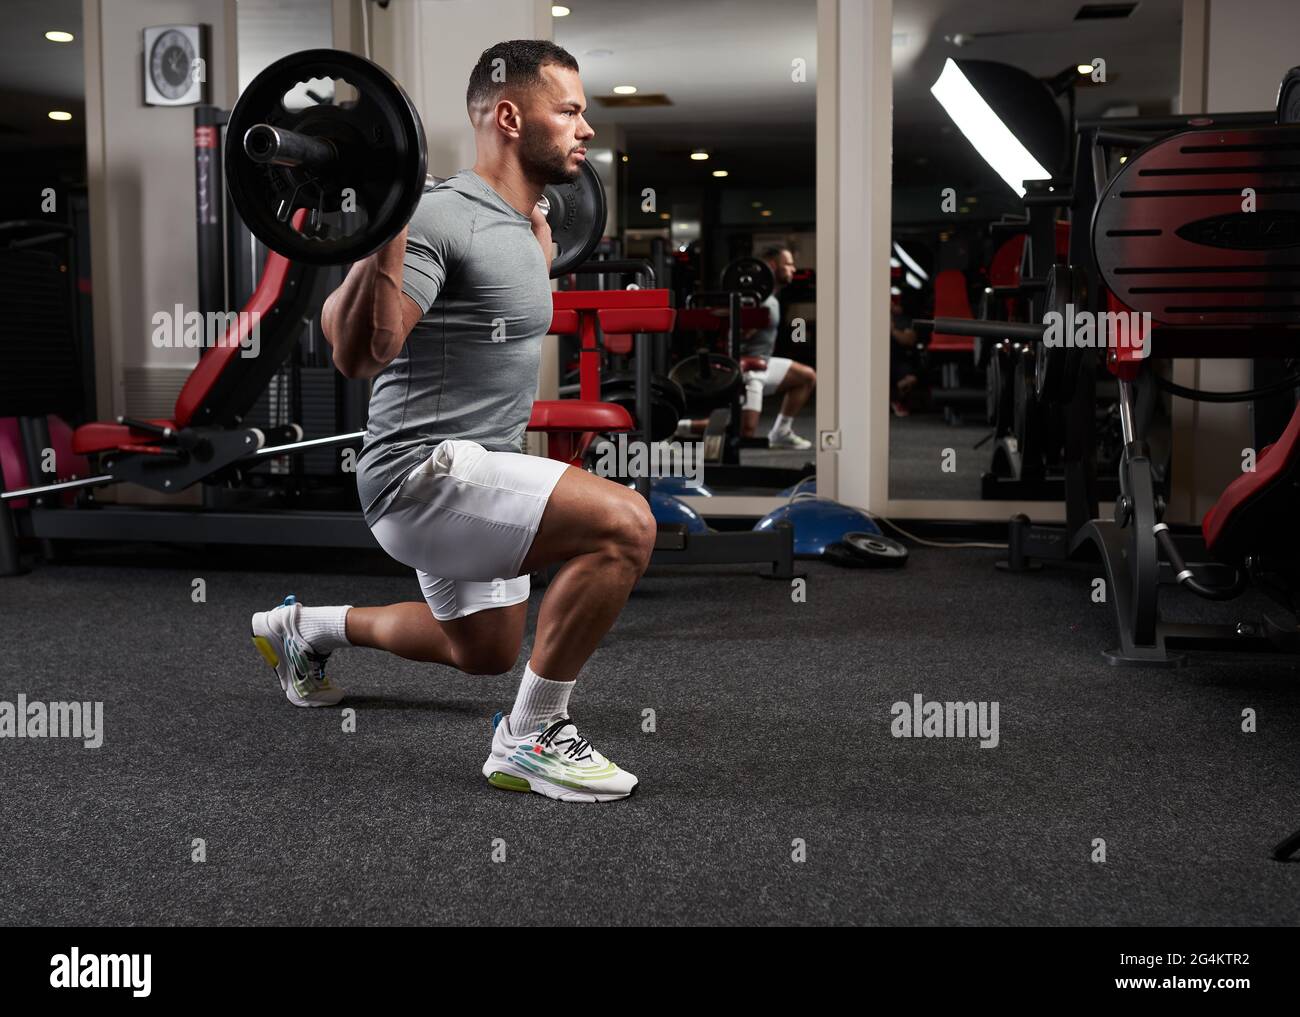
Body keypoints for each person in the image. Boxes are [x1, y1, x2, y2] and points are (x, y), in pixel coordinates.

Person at [248, 40, 655, 804]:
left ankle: (305, 627)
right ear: (510, 115)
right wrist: (388, 223)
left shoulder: (531, 226)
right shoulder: (436, 212)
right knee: (626, 524)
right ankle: (532, 737)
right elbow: (359, 352)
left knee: (485, 650)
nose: (586, 128)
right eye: (568, 110)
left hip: (472, 475)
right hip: (420, 476)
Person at [675, 245, 817, 449]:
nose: (794, 269)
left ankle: (781, 432)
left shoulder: (769, 298)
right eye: (788, 264)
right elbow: (737, 332)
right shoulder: (754, 300)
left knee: (806, 377)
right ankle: (679, 427)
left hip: (764, 363)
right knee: (744, 431)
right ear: (772, 265)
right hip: (750, 369)